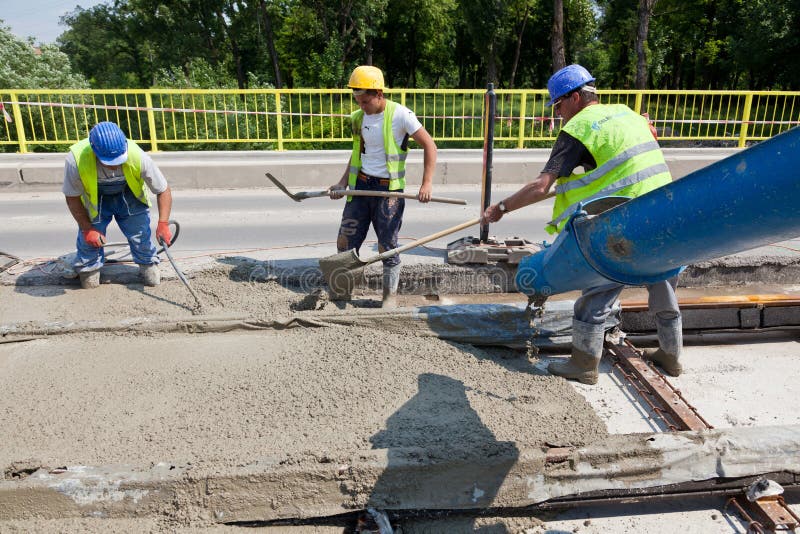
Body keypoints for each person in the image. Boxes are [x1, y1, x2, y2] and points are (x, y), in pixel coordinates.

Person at [483, 64, 682, 385]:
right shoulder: (627, 113)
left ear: (575, 98)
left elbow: (541, 186)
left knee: (599, 284)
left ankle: (584, 363)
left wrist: (501, 208)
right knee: (662, 278)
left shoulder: (579, 129)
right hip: (665, 211)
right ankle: (671, 355)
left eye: (558, 105)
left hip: (623, 221)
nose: (559, 113)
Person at [329, 65, 437, 308]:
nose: (361, 106)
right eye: (358, 100)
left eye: (365, 101)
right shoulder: (358, 118)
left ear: (378, 93)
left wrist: (426, 183)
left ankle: (389, 296)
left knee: (386, 245)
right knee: (346, 239)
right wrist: (342, 183)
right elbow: (357, 153)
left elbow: (430, 146)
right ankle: (342, 293)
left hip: (389, 190)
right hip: (361, 187)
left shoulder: (401, 116)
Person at [63, 121, 173, 289]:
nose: (115, 165)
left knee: (140, 235)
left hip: (129, 196)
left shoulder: (138, 155)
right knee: (90, 243)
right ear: (94, 151)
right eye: (109, 161)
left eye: (118, 160)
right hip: (97, 199)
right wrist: (87, 229)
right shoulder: (76, 160)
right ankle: (89, 271)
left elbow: (163, 189)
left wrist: (163, 223)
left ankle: (148, 266)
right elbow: (72, 197)